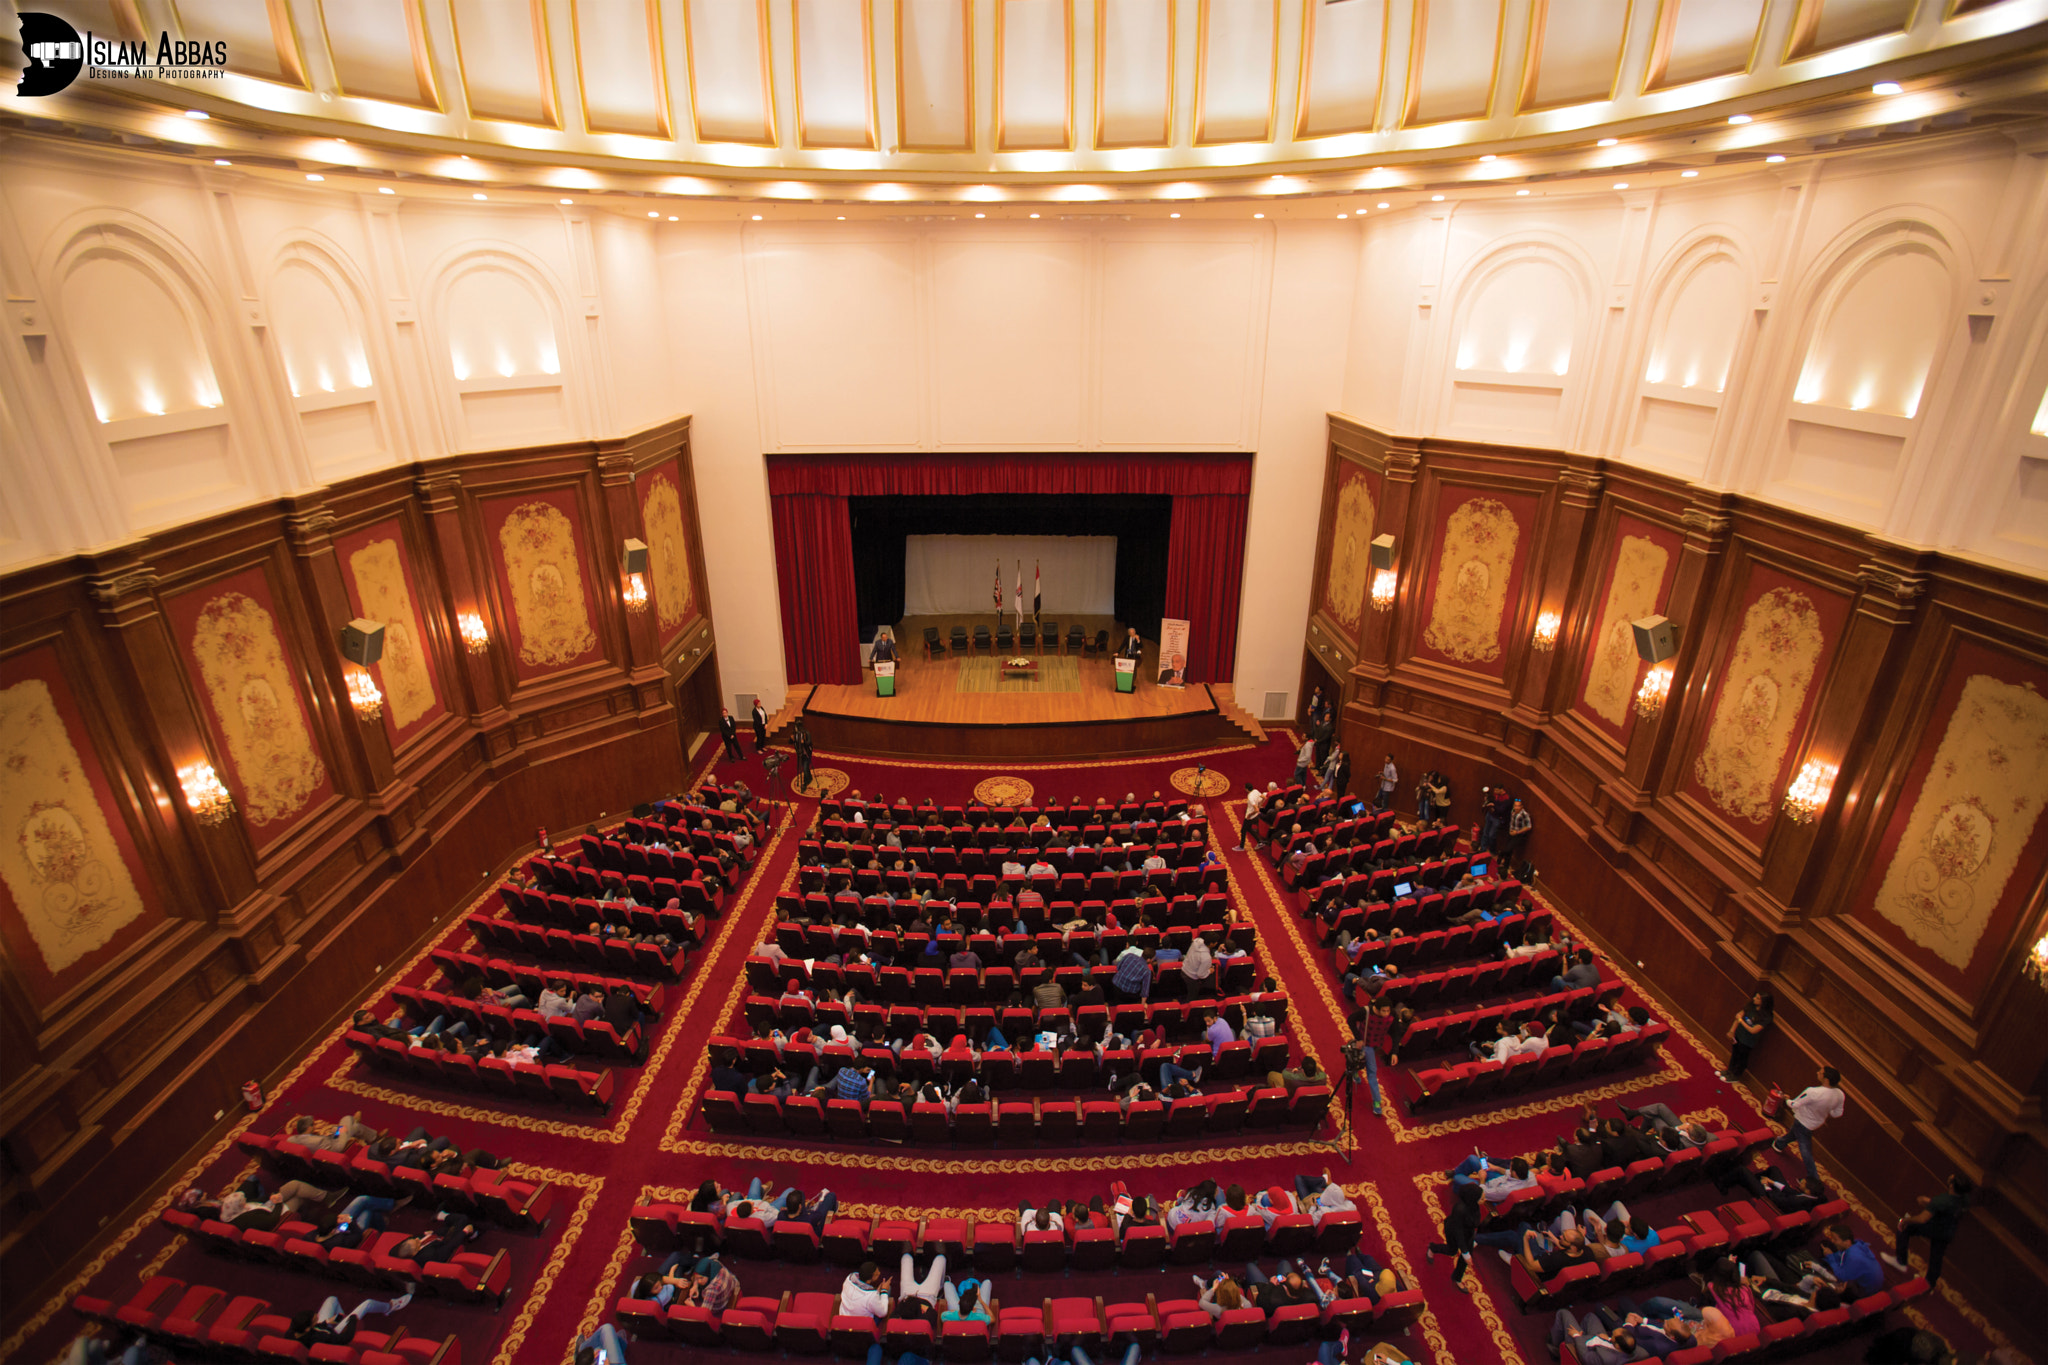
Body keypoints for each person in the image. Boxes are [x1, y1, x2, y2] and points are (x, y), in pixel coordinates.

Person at [1882, 1173, 1970, 1283]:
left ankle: (1900, 1261)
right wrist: (1930, 1203)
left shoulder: (1941, 1200)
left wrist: (1905, 1221)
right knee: (1936, 1257)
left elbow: (1922, 1219)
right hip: (1948, 1231)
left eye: (1953, 1178)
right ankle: (1929, 1283)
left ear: (1952, 1186)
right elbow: (1948, 1207)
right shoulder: (1965, 1198)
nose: (1951, 1176)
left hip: (1934, 1227)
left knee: (1904, 1228)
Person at [1771, 1065, 1846, 1185]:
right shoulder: (1840, 1094)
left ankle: (1813, 1178)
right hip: (1815, 1123)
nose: (1817, 1073)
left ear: (1826, 1079)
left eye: (1820, 1072)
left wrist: (1786, 1099)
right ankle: (1780, 1143)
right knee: (1794, 1133)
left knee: (1805, 1149)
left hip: (1803, 1121)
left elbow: (1794, 1104)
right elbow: (1837, 1113)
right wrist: (1825, 1110)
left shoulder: (1813, 1092)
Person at [1426, 1181, 1480, 1293]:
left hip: (1468, 1233)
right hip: (1454, 1232)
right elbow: (1458, 1232)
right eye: (1482, 1197)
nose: (1484, 1199)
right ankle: (1432, 1247)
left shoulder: (1474, 1205)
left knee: (1465, 1260)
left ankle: (1457, 1278)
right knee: (1452, 1251)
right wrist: (1464, 1252)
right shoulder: (1460, 1209)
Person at [1724, 990, 1774, 1081]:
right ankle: (1729, 1071)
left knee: (1741, 1058)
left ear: (1764, 1002)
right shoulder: (1750, 1006)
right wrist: (1732, 1031)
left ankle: (1735, 1075)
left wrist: (1741, 1021)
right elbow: (1738, 1016)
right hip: (1738, 1035)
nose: (1754, 999)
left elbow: (1753, 1030)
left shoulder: (1766, 1017)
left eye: (1758, 998)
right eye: (1755, 996)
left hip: (1747, 1041)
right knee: (1734, 1054)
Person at [1504, 798, 1533, 865]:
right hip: (1511, 832)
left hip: (1518, 835)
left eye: (1518, 806)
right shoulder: (1513, 811)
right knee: (1507, 849)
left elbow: (1529, 826)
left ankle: (1506, 864)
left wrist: (1517, 832)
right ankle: (1506, 864)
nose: (1516, 807)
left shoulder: (1524, 814)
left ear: (1521, 806)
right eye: (1515, 805)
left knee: (1508, 849)